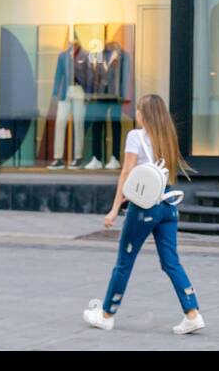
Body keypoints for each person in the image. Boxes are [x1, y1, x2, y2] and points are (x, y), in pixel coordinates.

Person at [82, 94, 205, 335]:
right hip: (168, 205)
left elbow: (126, 173)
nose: (136, 114)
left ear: (144, 114)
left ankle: (106, 314)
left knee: (124, 263)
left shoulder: (135, 136)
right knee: (171, 262)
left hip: (144, 208)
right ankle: (192, 313)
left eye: (138, 110)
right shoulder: (168, 137)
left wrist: (114, 209)